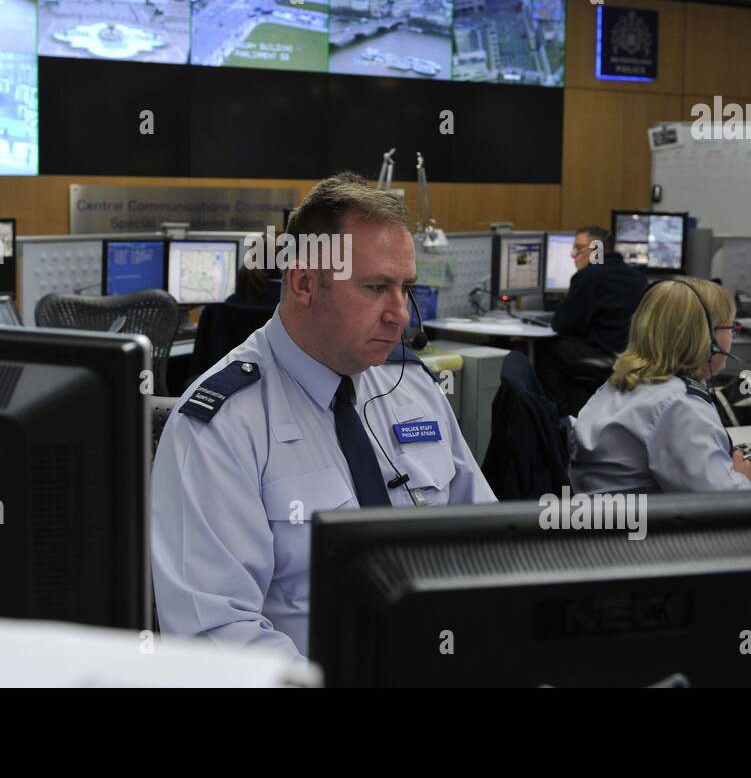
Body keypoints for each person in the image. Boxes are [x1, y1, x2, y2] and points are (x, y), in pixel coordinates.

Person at [152, 172, 496, 659]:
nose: (400, 313)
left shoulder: (414, 387)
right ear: (305, 282)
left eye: (405, 288)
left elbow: (484, 542)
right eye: (376, 287)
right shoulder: (222, 426)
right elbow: (217, 636)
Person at [570, 277, 751, 495]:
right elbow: (723, 506)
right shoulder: (678, 405)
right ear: (708, 340)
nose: (732, 336)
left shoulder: (623, 383)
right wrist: (743, 480)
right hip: (636, 527)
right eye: (731, 328)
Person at [535, 225, 648, 416]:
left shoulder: (589, 275)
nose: (573, 255)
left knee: (546, 348)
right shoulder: (637, 276)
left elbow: (562, 325)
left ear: (597, 250)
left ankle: (557, 418)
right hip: (630, 354)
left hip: (604, 353)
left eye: (578, 248)